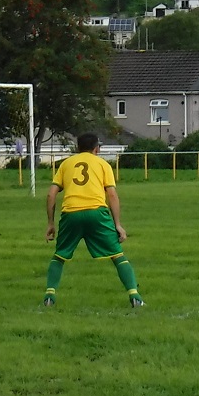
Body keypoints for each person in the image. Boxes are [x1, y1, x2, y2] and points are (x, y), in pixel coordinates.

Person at [44, 132, 144, 309]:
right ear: (96, 149)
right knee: (117, 255)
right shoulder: (103, 164)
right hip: (97, 212)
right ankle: (134, 295)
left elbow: (51, 193)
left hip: (71, 213)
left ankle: (49, 296)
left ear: (78, 148)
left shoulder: (66, 164)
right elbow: (112, 194)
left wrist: (51, 223)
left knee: (59, 256)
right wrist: (118, 224)